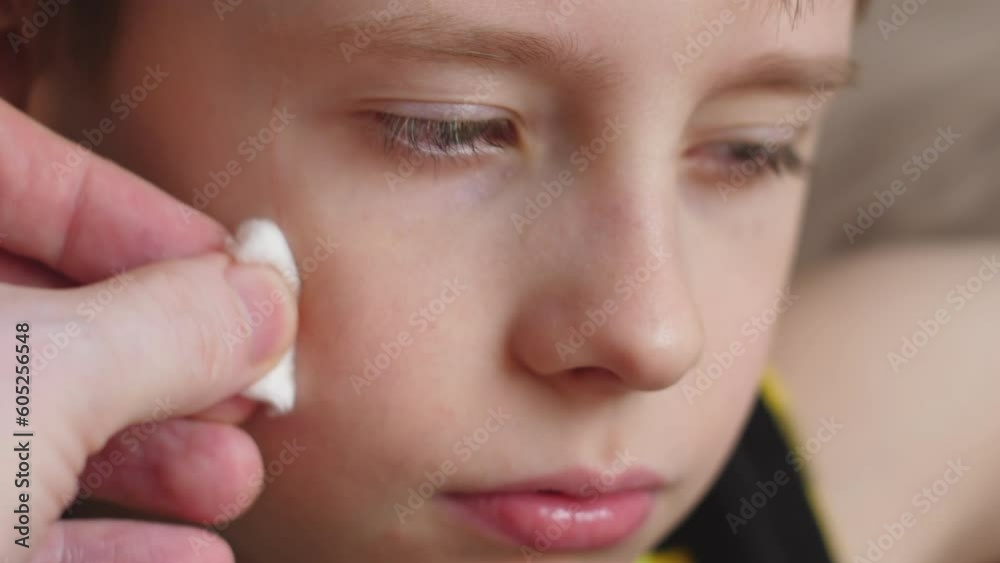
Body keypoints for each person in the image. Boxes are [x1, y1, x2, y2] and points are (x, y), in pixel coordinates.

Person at [2, 0, 998, 562]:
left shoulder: (759, 500)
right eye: (451, 128)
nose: (654, 334)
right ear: (26, 96)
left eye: (750, 149)